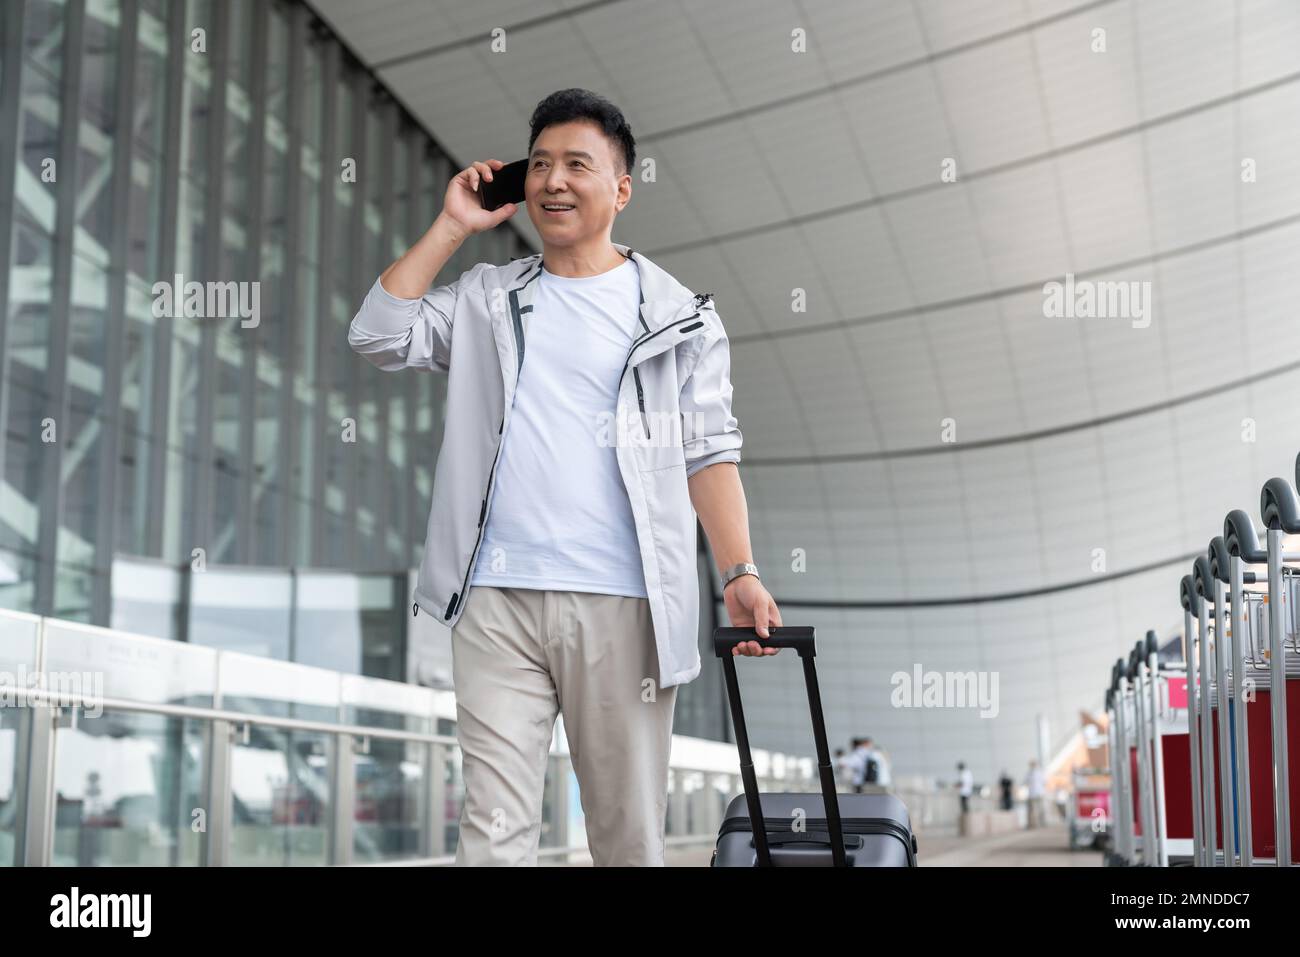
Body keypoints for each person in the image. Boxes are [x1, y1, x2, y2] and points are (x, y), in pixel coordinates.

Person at [349, 89, 781, 866]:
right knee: (492, 834)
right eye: (540, 163)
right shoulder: (488, 298)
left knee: (627, 836)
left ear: (620, 188)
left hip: (625, 602)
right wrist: (453, 224)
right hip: (493, 601)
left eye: (576, 164)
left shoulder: (678, 317)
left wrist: (739, 570)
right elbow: (378, 334)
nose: (553, 180)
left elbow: (709, 451)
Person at [1024, 760, 1047, 829]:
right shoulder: (1028, 773)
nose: (1033, 766)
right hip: (1032, 794)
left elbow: (1044, 782)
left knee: (1041, 809)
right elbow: (1025, 782)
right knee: (1032, 810)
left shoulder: (1039, 773)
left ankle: (1042, 822)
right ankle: (1032, 824)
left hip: (1039, 793)